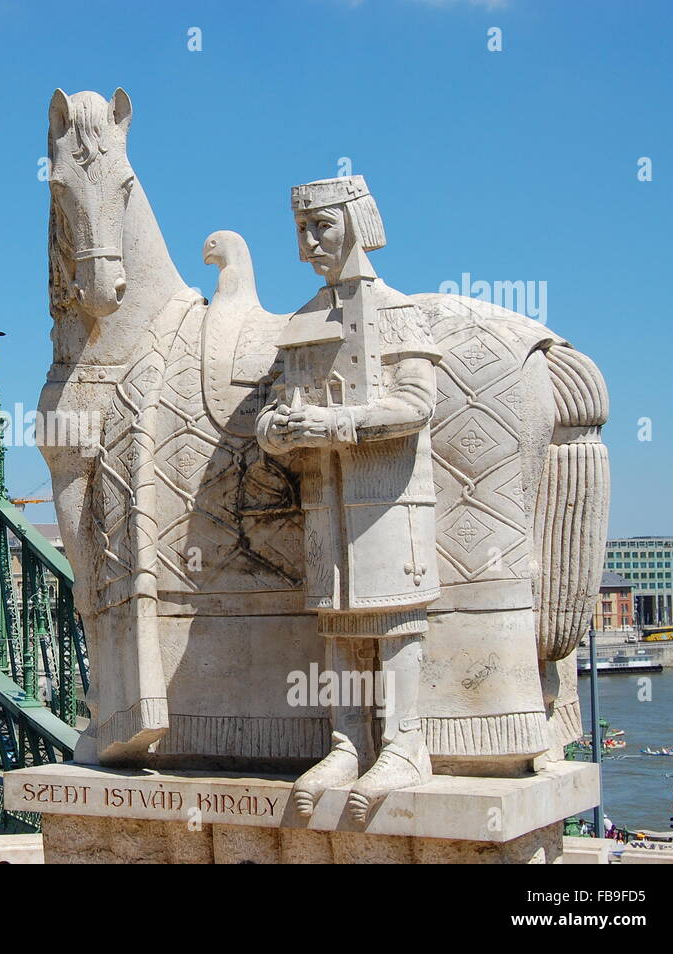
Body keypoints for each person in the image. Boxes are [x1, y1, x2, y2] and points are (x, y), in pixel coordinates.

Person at [257, 175, 443, 822]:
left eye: (322, 227)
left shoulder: (399, 311)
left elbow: (417, 404)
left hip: (387, 496)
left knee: (393, 617)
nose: (309, 244)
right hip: (324, 498)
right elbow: (273, 408)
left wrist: (339, 426)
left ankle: (405, 743)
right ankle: (347, 741)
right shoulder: (302, 319)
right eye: (301, 230)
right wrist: (278, 430)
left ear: (357, 225)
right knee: (337, 620)